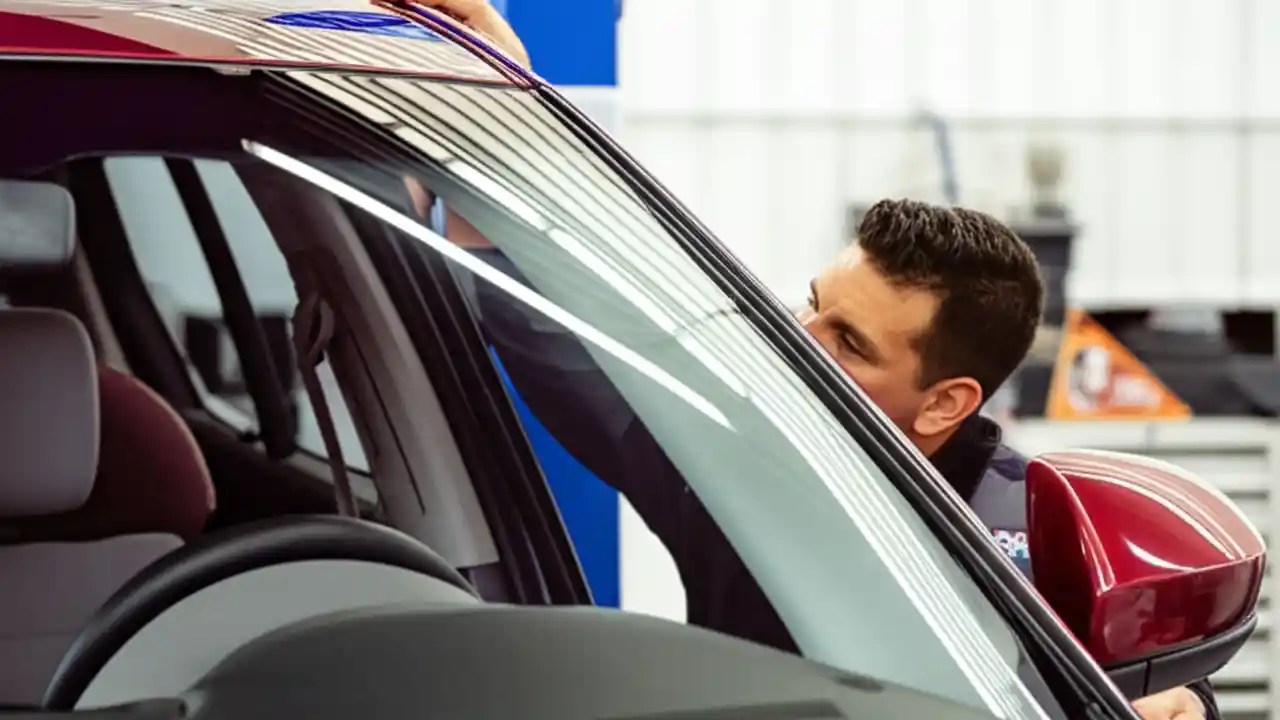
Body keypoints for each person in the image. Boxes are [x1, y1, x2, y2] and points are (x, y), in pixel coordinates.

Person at [407, 3, 1217, 718]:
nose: (803, 340)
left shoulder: (1037, 534)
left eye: (850, 341)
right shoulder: (734, 476)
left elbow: (1156, 675)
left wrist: (1187, 702)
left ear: (944, 403)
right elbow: (545, 340)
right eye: (814, 304)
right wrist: (498, 110)